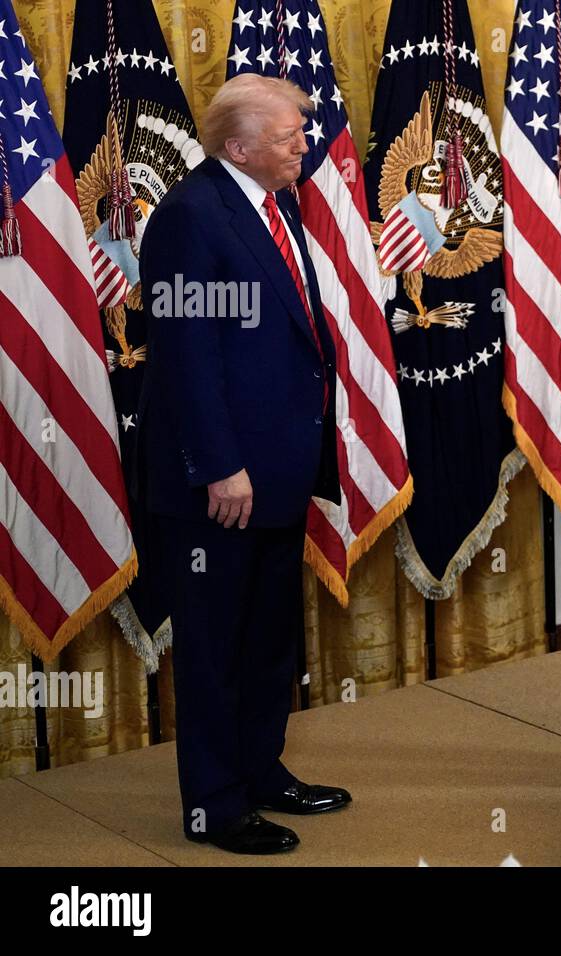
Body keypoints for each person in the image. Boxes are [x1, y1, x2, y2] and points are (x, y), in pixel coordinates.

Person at [137, 74, 349, 854]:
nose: (305, 142)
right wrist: (220, 465)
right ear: (240, 147)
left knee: (268, 638)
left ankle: (263, 771)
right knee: (215, 646)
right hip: (221, 483)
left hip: (281, 469)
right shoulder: (190, 218)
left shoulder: (273, 201)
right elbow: (186, 358)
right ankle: (215, 807)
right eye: (292, 132)